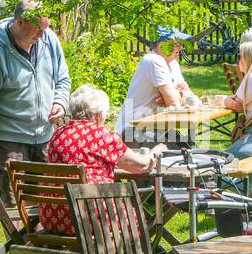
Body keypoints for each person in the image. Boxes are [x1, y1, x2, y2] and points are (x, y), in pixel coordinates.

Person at [0, 0, 71, 204]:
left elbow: (63, 78)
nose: (42, 35)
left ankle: (41, 237)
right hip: (10, 142)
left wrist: (60, 102)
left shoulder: (49, 40)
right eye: (37, 29)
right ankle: (20, 237)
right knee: (16, 205)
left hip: (44, 136)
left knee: (48, 202)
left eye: (45, 28)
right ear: (18, 23)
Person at [40, 84, 167, 235]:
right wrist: (157, 150)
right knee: (133, 216)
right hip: (91, 219)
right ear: (99, 115)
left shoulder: (57, 134)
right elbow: (141, 166)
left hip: (53, 217)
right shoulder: (102, 135)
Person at [116, 27, 195, 146]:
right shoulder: (154, 60)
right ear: (160, 44)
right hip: (133, 130)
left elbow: (190, 98)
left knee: (187, 150)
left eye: (180, 44)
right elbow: (174, 103)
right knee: (179, 156)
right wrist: (177, 96)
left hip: (156, 127)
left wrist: (173, 97)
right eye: (175, 43)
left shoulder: (172, 63)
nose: (180, 47)